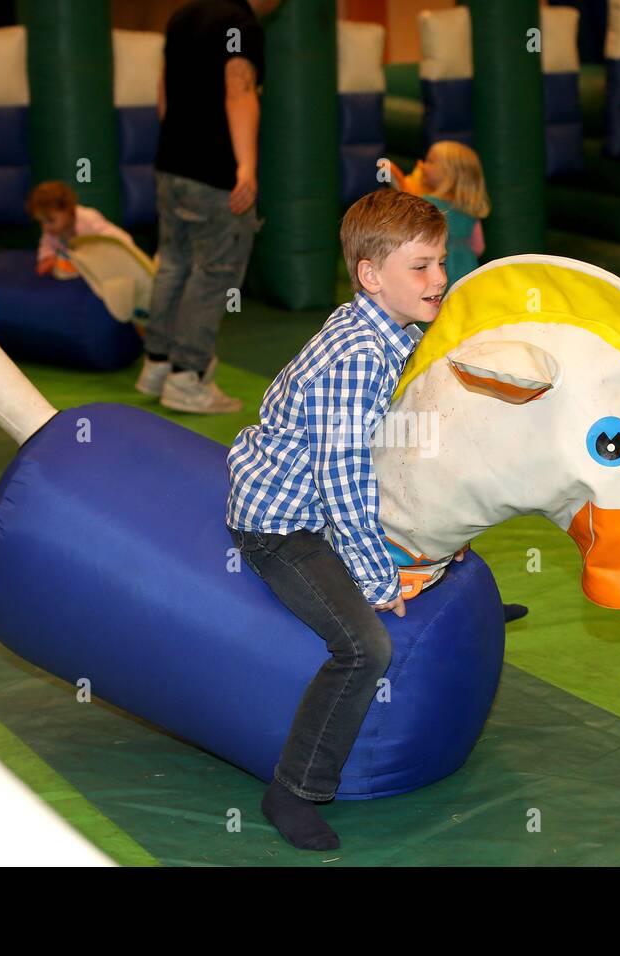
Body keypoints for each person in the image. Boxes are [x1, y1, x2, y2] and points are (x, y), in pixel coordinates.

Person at [225, 190, 450, 850]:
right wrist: (379, 584)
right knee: (366, 647)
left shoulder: (387, 331)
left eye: (441, 262)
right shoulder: (357, 356)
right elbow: (343, 484)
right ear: (370, 274)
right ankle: (293, 789)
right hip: (284, 522)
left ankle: (463, 605)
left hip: (321, 501)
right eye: (421, 267)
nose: (438, 279)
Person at [136, 0, 280, 414]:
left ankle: (158, 365)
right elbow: (239, 88)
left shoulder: (184, 14)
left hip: (172, 165)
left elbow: (164, 87)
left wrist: (175, 145)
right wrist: (246, 167)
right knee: (214, 271)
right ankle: (188, 376)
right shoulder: (241, 25)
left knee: (174, 263)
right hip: (213, 173)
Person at [390, 140, 491, 285]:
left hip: (438, 268)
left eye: (430, 161)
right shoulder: (470, 208)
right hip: (468, 271)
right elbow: (478, 247)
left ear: (449, 173)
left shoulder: (426, 204)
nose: (423, 166)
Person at [26, 181, 136, 277]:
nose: (45, 227)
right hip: (85, 262)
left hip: (117, 251)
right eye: (41, 222)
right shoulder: (52, 231)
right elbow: (46, 245)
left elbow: (112, 238)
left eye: (50, 220)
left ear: (68, 210)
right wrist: (46, 258)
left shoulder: (88, 219)